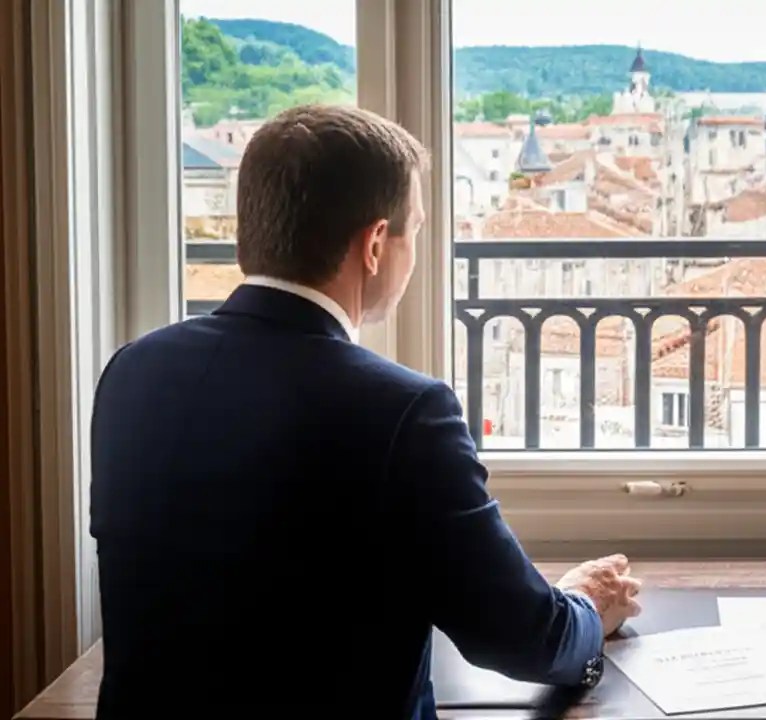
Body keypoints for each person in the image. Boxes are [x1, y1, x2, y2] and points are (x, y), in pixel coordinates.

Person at [90, 105, 642, 719]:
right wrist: (589, 606)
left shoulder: (131, 373)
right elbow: (523, 638)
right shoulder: (403, 412)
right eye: (417, 230)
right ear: (376, 243)